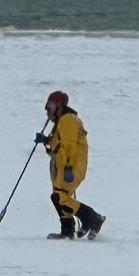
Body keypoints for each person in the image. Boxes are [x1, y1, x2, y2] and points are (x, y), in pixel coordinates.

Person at [38, 90, 104, 239]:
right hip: (63, 167)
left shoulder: (68, 120)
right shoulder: (63, 121)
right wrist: (46, 141)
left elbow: (69, 146)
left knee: (60, 196)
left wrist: (68, 167)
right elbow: (57, 145)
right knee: (60, 197)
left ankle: (93, 217)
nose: (47, 109)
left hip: (71, 167)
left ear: (59, 105)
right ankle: (68, 230)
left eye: (50, 105)